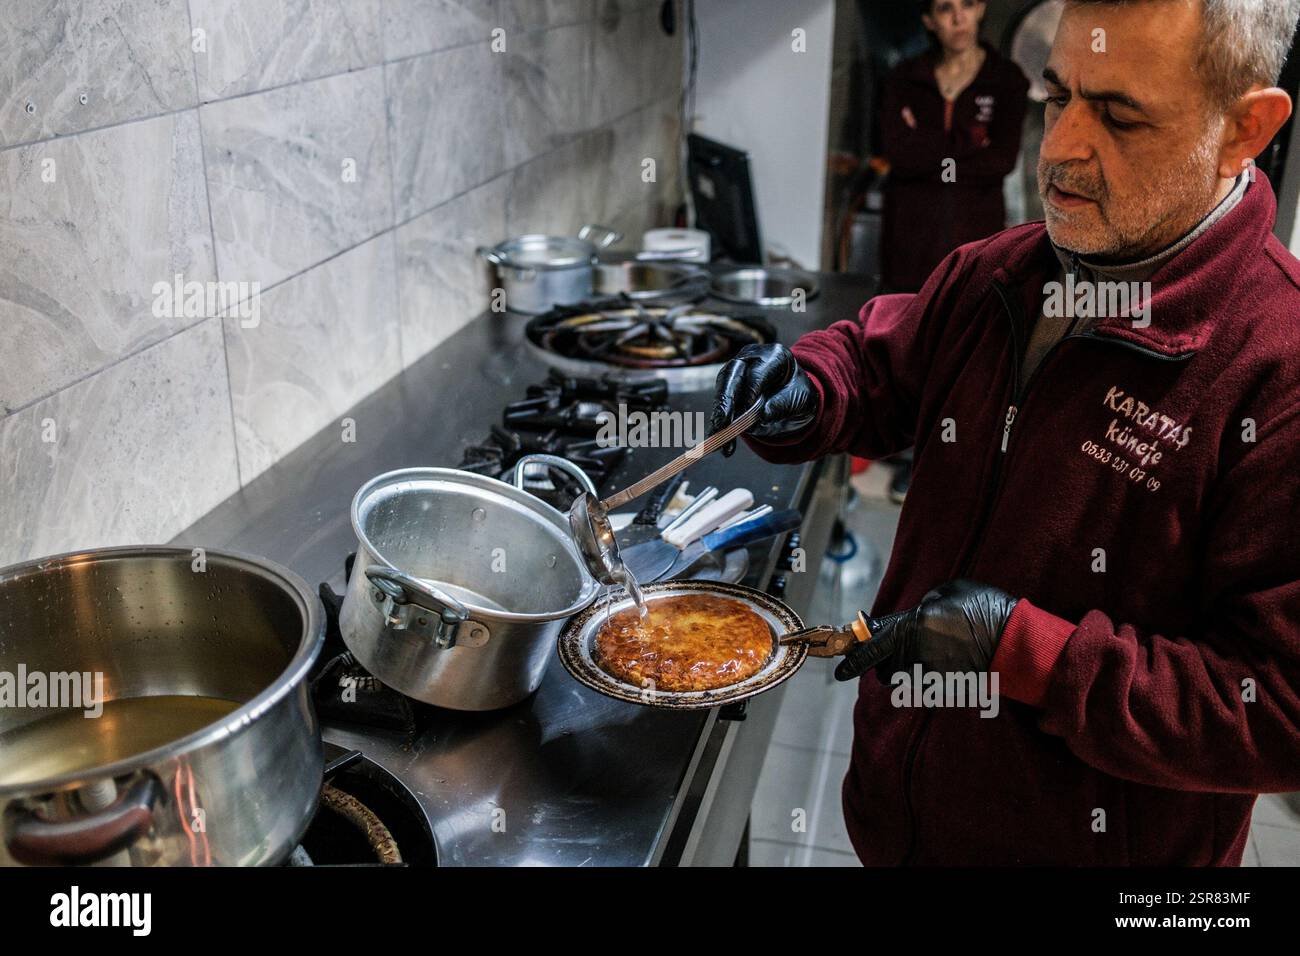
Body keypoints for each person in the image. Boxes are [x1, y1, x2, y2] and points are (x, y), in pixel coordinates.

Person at [713, 0, 1300, 865]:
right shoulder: (1004, 273)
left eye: (1119, 114)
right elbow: (883, 365)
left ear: (1243, 128)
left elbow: (1278, 707)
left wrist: (1029, 654)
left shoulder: (1275, 367)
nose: (1058, 147)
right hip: (900, 819)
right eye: (1056, 96)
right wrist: (808, 387)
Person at [877, 0, 1030, 502]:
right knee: (907, 342)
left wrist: (931, 146)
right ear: (927, 20)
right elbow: (897, 151)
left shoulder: (1005, 78)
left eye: (967, 5)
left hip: (974, 239)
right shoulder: (906, 76)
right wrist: (966, 145)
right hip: (910, 236)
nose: (958, 19)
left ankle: (945, 459)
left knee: (964, 347)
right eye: (945, 9)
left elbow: (1000, 160)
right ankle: (906, 452)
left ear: (981, 10)